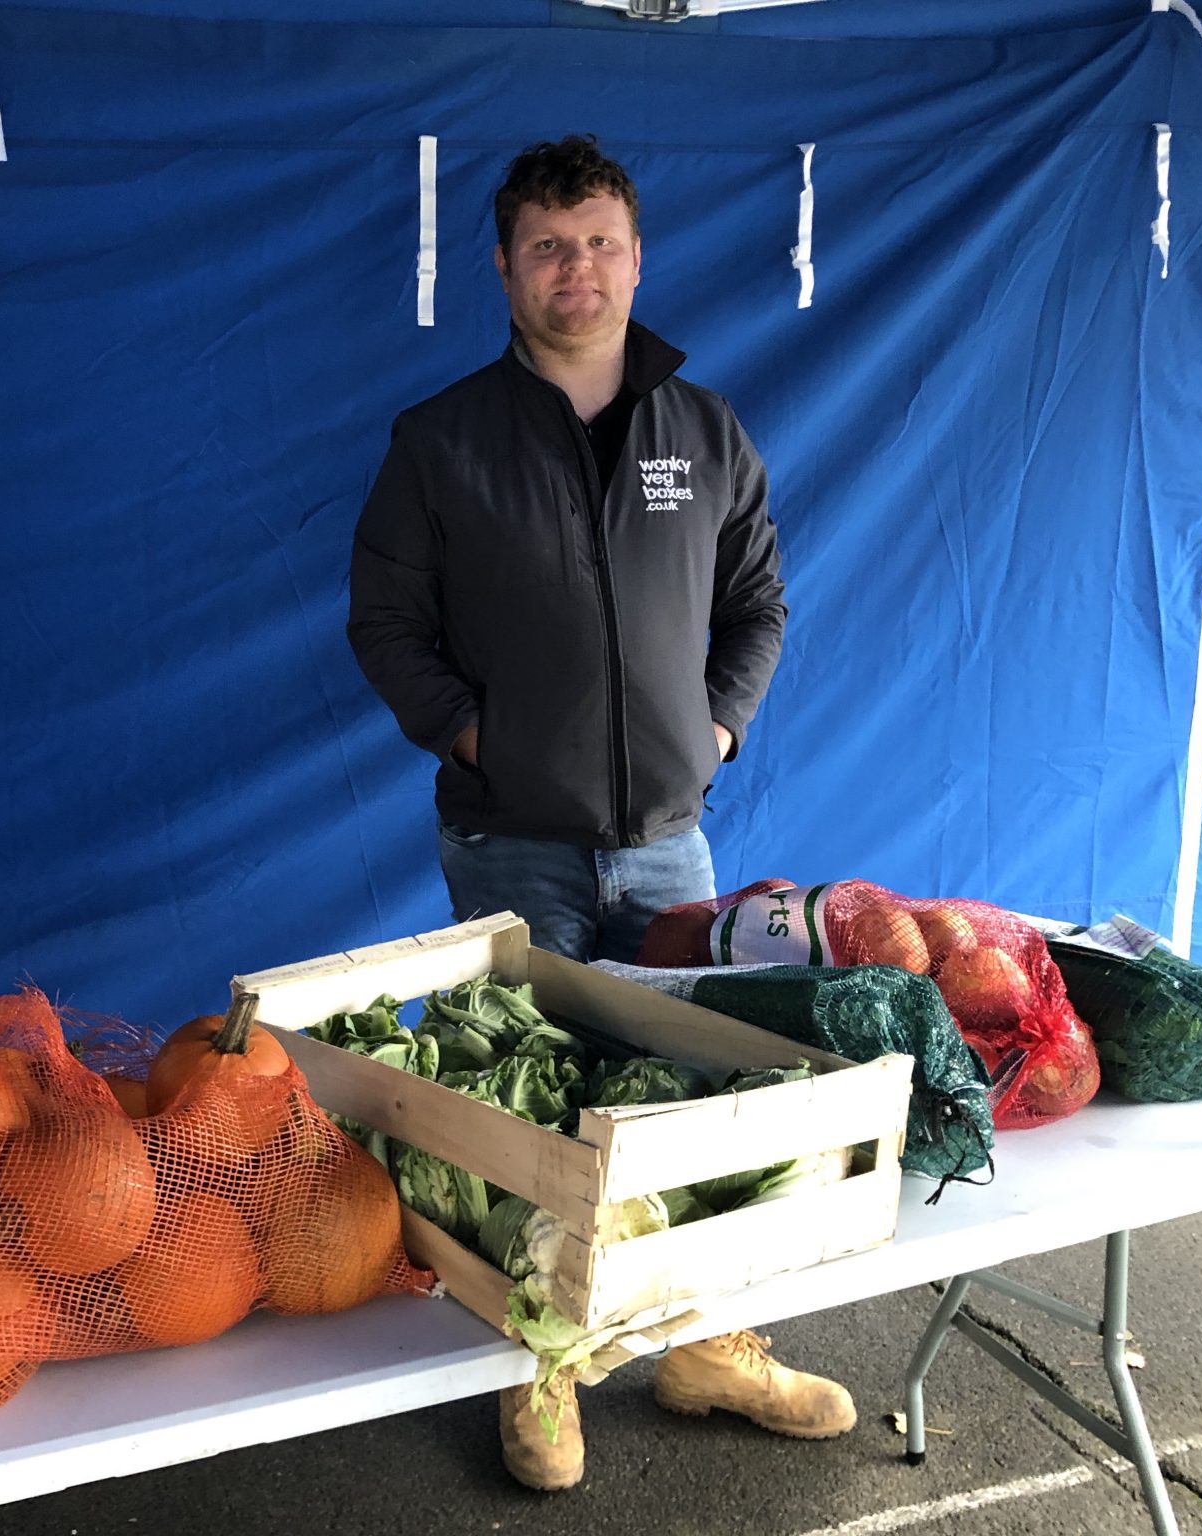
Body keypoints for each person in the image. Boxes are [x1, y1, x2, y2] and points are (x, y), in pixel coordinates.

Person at [348, 134, 854, 1491]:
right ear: (506, 266)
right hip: (509, 834)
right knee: (532, 1104)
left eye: (601, 243)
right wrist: (484, 740)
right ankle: (543, 1370)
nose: (577, 269)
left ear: (638, 258)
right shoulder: (443, 440)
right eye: (549, 246)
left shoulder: (702, 430)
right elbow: (386, 626)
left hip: (668, 838)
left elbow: (756, 604)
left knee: (696, 1092)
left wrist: (717, 726)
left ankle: (705, 1344)